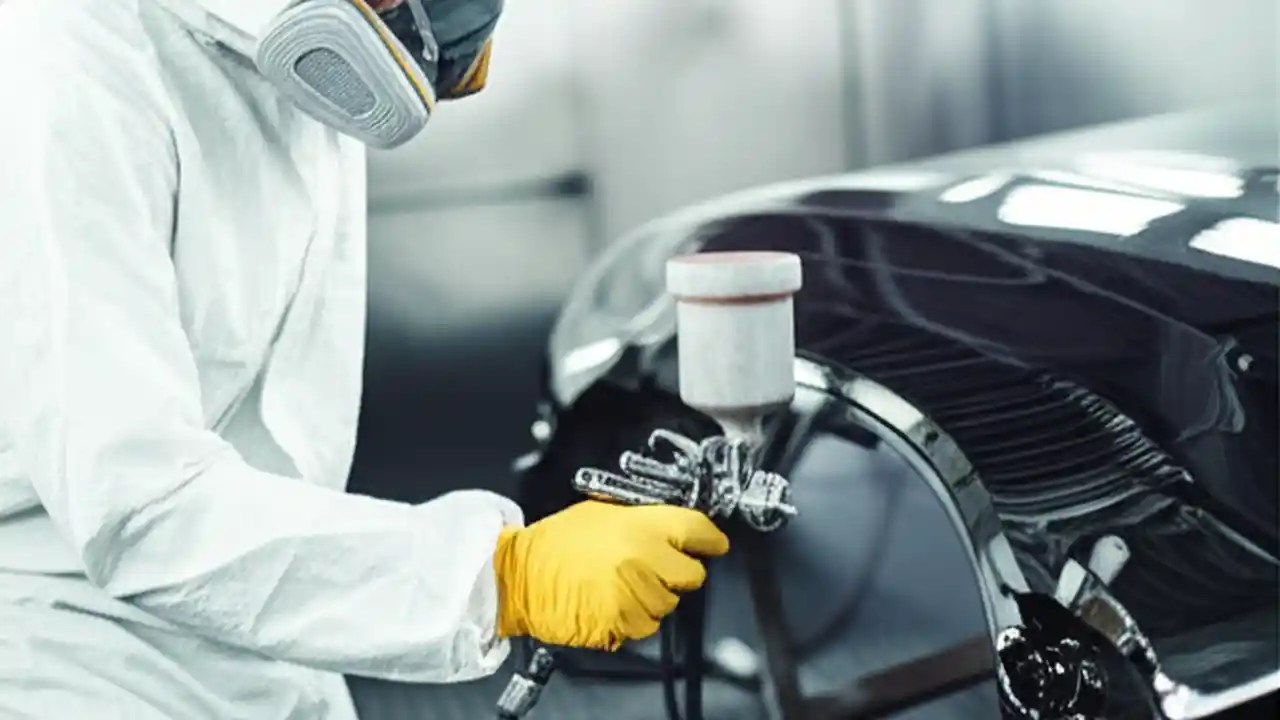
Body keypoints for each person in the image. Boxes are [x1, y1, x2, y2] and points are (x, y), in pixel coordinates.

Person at [0, 0, 729, 717]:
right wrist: (501, 577)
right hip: (72, 655)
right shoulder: (67, 62)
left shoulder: (296, 43)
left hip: (266, 641)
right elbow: (139, 508)